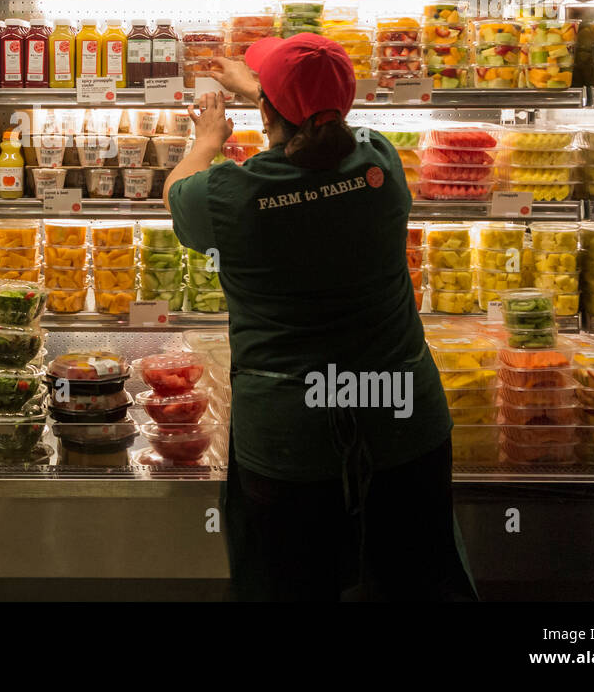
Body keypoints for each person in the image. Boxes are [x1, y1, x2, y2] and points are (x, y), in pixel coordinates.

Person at [163, 32, 476, 602]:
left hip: (292, 432)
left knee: (292, 586)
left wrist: (207, 137)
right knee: (416, 582)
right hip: (401, 418)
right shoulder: (379, 162)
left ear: (265, 110)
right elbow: (318, 127)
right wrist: (269, 90)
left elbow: (177, 190)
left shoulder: (231, 194)